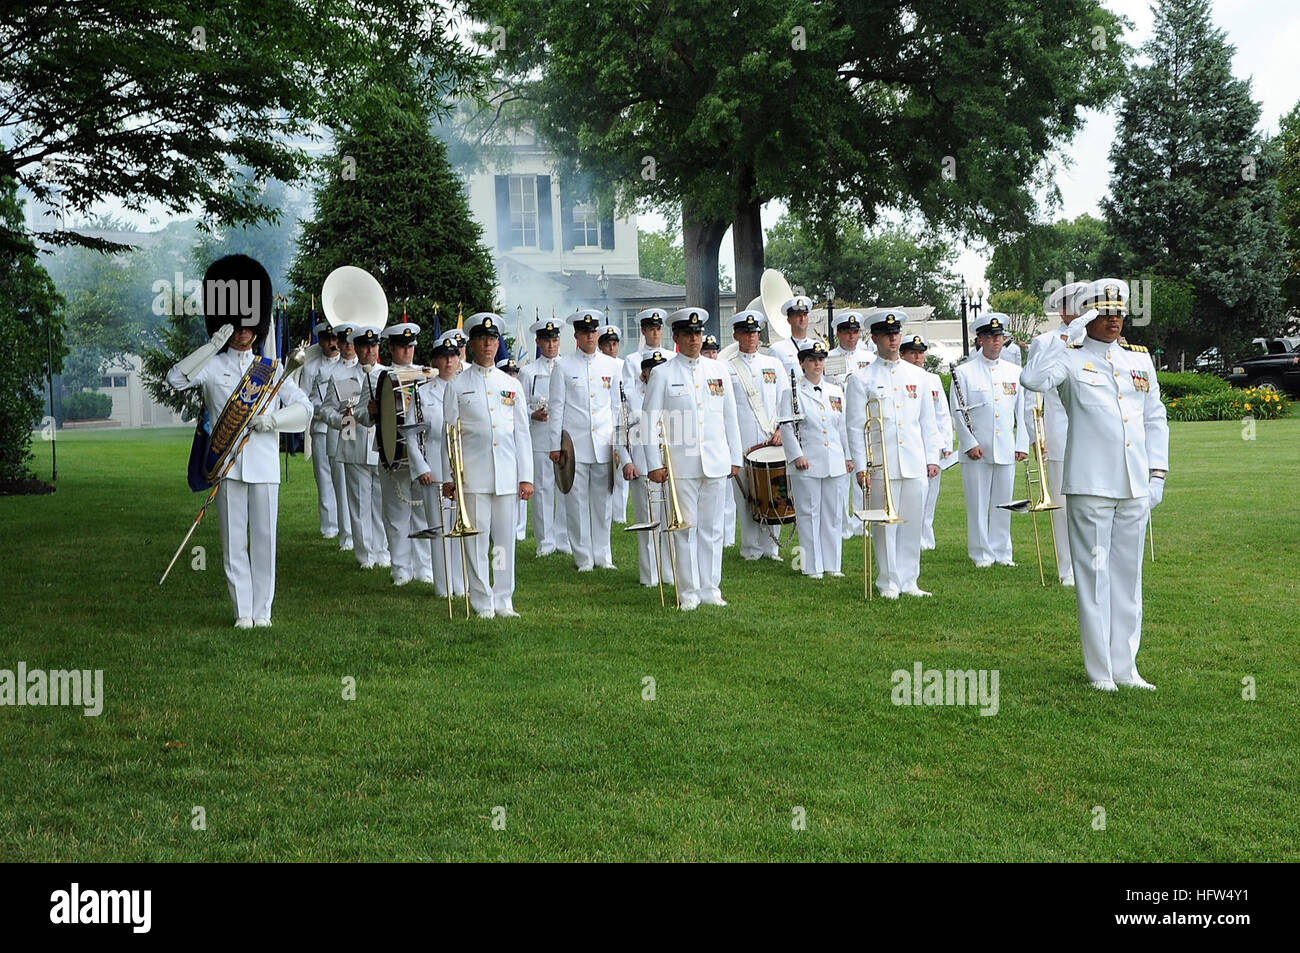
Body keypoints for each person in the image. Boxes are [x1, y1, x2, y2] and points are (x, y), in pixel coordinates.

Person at [1020, 278, 1169, 692]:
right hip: (1091, 484)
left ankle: (1127, 667)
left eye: (1119, 313)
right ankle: (1100, 670)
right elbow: (1032, 381)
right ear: (1087, 315)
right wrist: (1065, 336)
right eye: (1104, 313)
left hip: (1135, 482)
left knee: (1128, 577)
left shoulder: (1139, 361)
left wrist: (1158, 473)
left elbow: (1155, 418)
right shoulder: (1068, 358)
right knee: (1095, 577)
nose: (1114, 320)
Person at [165, 255, 312, 628]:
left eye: (249, 324)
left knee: (264, 542)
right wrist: (213, 344)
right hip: (227, 466)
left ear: (258, 325)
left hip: (263, 465)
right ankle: (241, 613)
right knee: (234, 546)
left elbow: (305, 409)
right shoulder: (211, 366)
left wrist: (272, 420)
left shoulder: (274, 369)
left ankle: (263, 613)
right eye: (235, 324)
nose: (244, 331)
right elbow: (175, 379)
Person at [643, 308, 743, 610]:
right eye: (688, 334)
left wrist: (734, 457)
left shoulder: (718, 371)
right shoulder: (663, 373)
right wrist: (653, 464)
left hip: (715, 460)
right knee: (684, 529)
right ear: (676, 337)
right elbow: (648, 423)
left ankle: (710, 588)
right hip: (680, 464)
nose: (694, 339)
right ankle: (687, 592)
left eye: (698, 333)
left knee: (713, 530)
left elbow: (730, 417)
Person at [441, 313, 534, 619]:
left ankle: (503, 599)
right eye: (482, 339)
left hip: (506, 475)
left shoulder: (510, 384)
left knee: (503, 544)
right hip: (474, 476)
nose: (488, 344)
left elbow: (522, 433)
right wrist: (450, 477)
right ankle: (482, 600)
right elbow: (448, 435)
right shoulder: (456, 386)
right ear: (472, 342)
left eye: (493, 339)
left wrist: (526, 477)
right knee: (477, 542)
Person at [846, 311, 941, 598]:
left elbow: (928, 422)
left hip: (912, 460)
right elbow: (854, 426)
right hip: (881, 465)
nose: (893, 337)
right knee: (884, 527)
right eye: (886, 334)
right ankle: (888, 581)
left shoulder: (919, 376)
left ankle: (910, 579)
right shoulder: (862, 379)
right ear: (874, 338)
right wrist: (861, 467)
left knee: (912, 523)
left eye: (896, 332)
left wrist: (932, 458)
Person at [358, 321, 435, 586]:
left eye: (410, 346)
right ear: (391, 348)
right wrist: (371, 411)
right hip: (392, 452)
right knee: (396, 514)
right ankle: (401, 568)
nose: (407, 352)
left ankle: (424, 567)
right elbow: (361, 416)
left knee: (424, 512)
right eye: (402, 347)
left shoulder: (427, 374)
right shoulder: (380, 376)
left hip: (423, 454)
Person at [547, 308, 624, 572]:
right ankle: (583, 558)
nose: (590, 336)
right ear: (577, 335)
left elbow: (615, 407)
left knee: (603, 503)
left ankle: (603, 555)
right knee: (576, 503)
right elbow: (556, 407)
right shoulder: (563, 366)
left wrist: (618, 443)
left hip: (603, 443)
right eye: (585, 332)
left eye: (593, 332)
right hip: (574, 445)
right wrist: (554, 445)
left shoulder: (612, 366)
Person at [949, 314, 1028, 567]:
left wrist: (1022, 444)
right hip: (977, 449)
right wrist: (969, 442)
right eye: (991, 337)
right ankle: (981, 552)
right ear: (980, 340)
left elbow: (1023, 411)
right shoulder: (964, 372)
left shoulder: (1015, 372)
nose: (997, 342)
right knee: (978, 502)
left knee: (1004, 503)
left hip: (1005, 445)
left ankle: (1002, 551)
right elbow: (958, 411)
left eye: (1000, 337)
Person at [1033, 281, 1092, 586]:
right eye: (1071, 305)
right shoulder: (1045, 342)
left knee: (1091, 502)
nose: (1078, 310)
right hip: (1060, 431)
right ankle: (1066, 568)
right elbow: (1032, 395)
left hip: (1094, 434)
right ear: (1060, 309)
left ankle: (1092, 561)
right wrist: (1036, 436)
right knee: (1063, 504)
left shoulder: (1093, 338)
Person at [780, 341, 851, 578]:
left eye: (820, 359)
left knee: (832, 515)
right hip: (807, 462)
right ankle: (811, 566)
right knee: (809, 514)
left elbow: (843, 427)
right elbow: (787, 428)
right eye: (811, 360)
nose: (817, 364)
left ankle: (832, 564)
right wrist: (797, 455)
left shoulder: (836, 391)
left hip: (834, 461)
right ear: (802, 363)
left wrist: (848, 456)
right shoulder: (791, 392)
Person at [322, 324, 390, 571]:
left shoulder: (387, 374)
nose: (369, 351)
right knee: (360, 504)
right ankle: (365, 556)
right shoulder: (341, 377)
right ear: (357, 348)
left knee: (381, 503)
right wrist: (342, 420)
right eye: (364, 346)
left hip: (381, 445)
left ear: (378, 348)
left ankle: (383, 552)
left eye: (373, 346)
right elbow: (325, 410)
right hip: (354, 442)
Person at [724, 309, 789, 561]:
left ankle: (771, 547)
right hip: (742, 440)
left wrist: (782, 430)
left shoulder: (773, 365)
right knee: (746, 496)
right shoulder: (727, 368)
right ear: (736, 335)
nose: (751, 337)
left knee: (774, 492)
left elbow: (785, 401)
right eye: (745, 332)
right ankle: (750, 547)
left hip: (771, 440)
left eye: (754, 332)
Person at [414, 330, 466, 600]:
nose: (449, 362)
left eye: (453, 356)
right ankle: (443, 585)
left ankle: (462, 582)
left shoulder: (465, 388)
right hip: (434, 468)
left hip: (461, 469)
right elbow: (410, 434)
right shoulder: (422, 393)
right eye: (443, 357)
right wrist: (420, 466)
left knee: (460, 528)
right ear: (434, 361)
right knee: (438, 529)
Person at [517, 318, 571, 557]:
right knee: (543, 491)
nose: (551, 345)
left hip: (565, 438)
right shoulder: (527, 372)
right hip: (539, 438)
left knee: (566, 489)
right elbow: (518, 408)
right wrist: (532, 414)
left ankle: (564, 539)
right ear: (538, 342)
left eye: (555, 340)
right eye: (547, 340)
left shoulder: (568, 367)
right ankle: (545, 542)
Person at [623, 348, 674, 587]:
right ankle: (649, 575)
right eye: (649, 369)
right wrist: (627, 461)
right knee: (648, 523)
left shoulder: (671, 392)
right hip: (642, 466)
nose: (653, 373)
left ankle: (669, 572)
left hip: (669, 466)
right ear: (643, 372)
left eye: (657, 369)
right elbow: (620, 431)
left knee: (669, 523)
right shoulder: (631, 396)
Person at [899, 334, 955, 550]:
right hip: (911, 444)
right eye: (912, 353)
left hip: (932, 444)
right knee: (913, 494)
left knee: (930, 495)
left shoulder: (932, 380)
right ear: (902, 354)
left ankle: (926, 537)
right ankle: (911, 536)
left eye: (920, 353)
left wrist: (946, 444)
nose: (917, 357)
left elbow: (942, 413)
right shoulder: (900, 378)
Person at [315, 322, 355, 553]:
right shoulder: (332, 372)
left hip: (361, 434)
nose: (348, 347)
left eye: (352, 342)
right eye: (345, 342)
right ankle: (346, 534)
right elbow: (323, 407)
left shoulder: (365, 369)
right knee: (341, 485)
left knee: (363, 487)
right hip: (338, 433)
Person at [301, 320, 341, 540]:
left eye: (335, 339)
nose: (332, 343)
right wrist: (317, 408)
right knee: (324, 477)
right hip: (321, 427)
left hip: (343, 427)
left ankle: (345, 524)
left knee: (342, 476)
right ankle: (329, 525)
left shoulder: (346, 365)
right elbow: (302, 397)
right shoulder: (311, 367)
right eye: (327, 340)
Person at [599, 325, 629, 524]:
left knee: (623, 464)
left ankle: (620, 514)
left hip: (624, 415)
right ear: (601, 346)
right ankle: (607, 511)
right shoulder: (599, 366)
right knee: (607, 469)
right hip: (605, 418)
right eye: (608, 344)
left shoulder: (624, 365)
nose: (612, 348)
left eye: (615, 344)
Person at [497, 356, 529, 541]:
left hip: (514, 448)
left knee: (518, 489)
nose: (512, 376)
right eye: (508, 373)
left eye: (514, 373)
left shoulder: (515, 389)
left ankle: (519, 529)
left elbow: (522, 427)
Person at [769, 295, 817, 374]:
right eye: (798, 315)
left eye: (805, 315)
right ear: (789, 320)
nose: (802, 319)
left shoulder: (818, 346)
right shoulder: (777, 349)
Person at [826, 312, 876, 386]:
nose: (851, 336)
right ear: (838, 334)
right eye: (847, 333)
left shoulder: (870, 358)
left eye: (855, 332)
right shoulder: (827, 358)